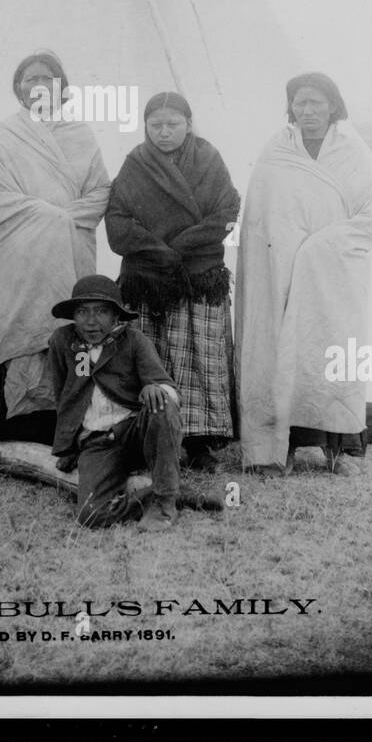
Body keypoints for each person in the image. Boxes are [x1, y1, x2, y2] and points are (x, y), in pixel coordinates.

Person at [235, 73, 372, 476]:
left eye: (316, 102)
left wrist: (318, 248)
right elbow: (261, 219)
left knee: (329, 351)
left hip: (333, 276)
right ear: (291, 107)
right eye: (300, 102)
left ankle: (337, 451)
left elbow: (370, 215)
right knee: (280, 350)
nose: (308, 110)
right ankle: (274, 449)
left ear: (333, 105)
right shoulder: (276, 151)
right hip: (278, 273)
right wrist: (284, 254)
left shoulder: (350, 152)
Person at [0, 51, 111, 445]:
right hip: (18, 259)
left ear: (61, 86)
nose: (37, 85)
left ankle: (68, 425)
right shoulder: (6, 133)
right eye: (29, 79)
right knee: (23, 332)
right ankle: (13, 425)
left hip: (68, 255)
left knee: (66, 330)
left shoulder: (80, 134)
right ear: (18, 89)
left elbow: (100, 190)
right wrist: (42, 214)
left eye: (46, 78)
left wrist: (63, 220)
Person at [105, 92, 240, 472]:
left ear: (189, 124)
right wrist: (157, 250)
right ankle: (150, 437)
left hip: (198, 276)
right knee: (152, 359)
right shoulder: (135, 164)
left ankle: (199, 443)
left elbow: (227, 213)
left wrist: (180, 246)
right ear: (146, 127)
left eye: (173, 124)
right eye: (156, 125)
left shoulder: (209, 159)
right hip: (148, 279)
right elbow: (117, 223)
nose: (164, 132)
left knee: (199, 361)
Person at [48, 275, 182, 531]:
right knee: (91, 516)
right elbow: (63, 395)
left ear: (115, 316)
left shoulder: (133, 340)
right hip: (97, 443)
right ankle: (164, 490)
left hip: (133, 432)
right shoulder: (63, 342)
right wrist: (68, 446)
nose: (91, 321)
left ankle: (164, 503)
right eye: (82, 311)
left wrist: (155, 389)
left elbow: (170, 389)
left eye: (101, 311)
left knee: (162, 403)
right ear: (73, 316)